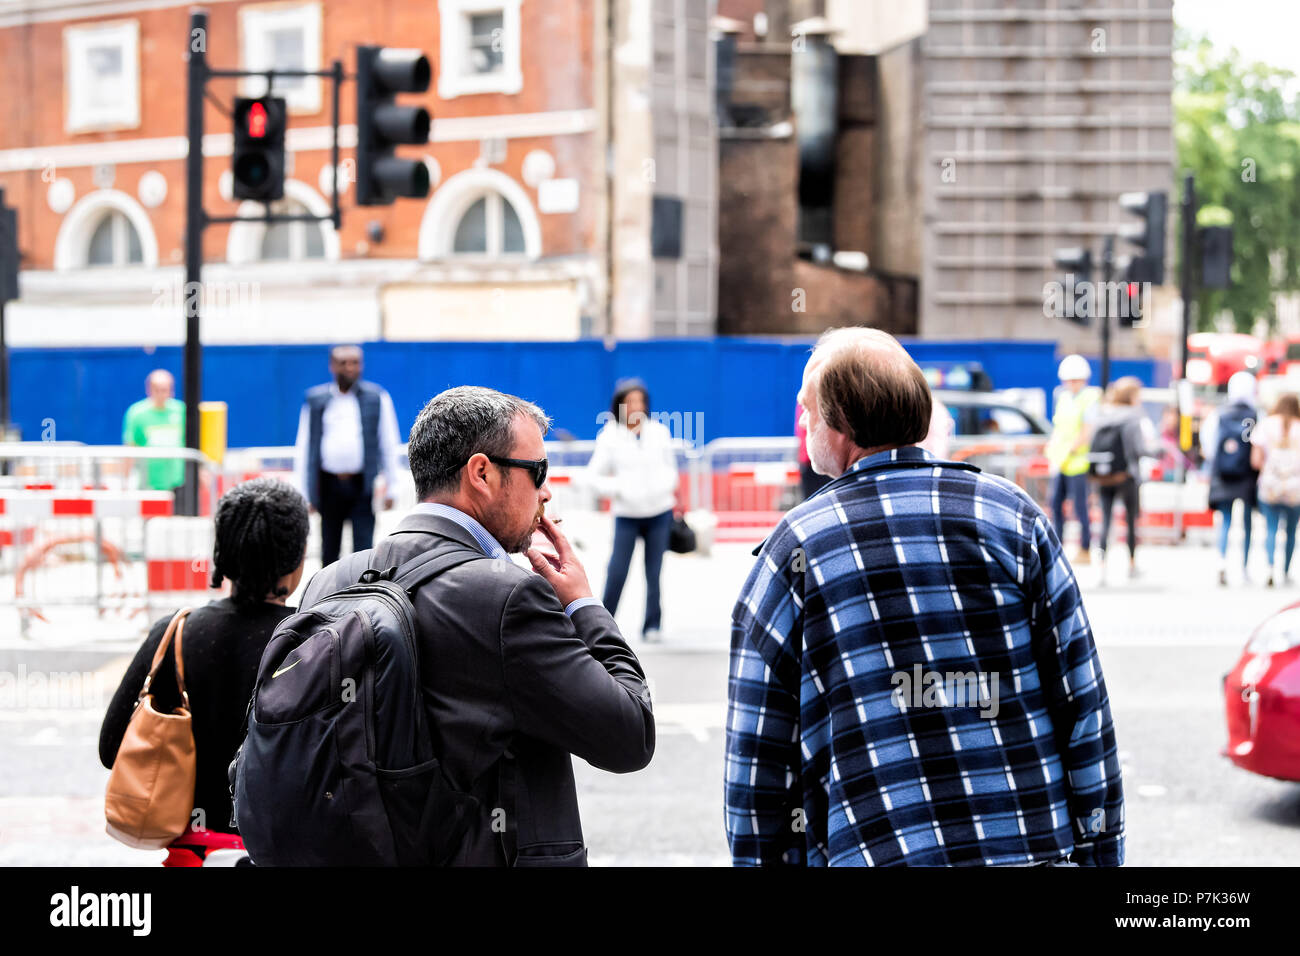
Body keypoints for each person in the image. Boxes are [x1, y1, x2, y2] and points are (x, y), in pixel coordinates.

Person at [726, 328, 1124, 867]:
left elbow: (759, 762)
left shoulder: (796, 548)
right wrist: (1100, 853)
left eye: (809, 411)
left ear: (841, 423)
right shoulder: (1013, 516)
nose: (803, 424)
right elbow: (1082, 703)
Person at [301, 385, 654, 865]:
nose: (547, 491)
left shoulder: (329, 581)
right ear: (482, 473)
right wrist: (583, 604)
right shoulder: (507, 597)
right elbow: (629, 735)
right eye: (539, 472)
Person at [100, 478, 309, 866]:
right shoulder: (311, 642)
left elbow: (112, 749)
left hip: (191, 855)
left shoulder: (175, 632)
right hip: (278, 850)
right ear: (297, 562)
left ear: (221, 554)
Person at [585, 379, 679, 642]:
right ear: (620, 406)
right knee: (617, 570)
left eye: (640, 401)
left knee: (654, 571)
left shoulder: (659, 432)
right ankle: (602, 624)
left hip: (660, 513)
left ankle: (653, 625)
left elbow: (670, 469)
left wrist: (664, 488)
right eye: (630, 402)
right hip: (626, 515)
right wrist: (620, 488)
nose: (636, 407)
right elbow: (594, 477)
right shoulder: (609, 436)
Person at [293, 345, 403, 566]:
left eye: (354, 363)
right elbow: (305, 447)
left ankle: (362, 597)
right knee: (329, 551)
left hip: (361, 485)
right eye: (343, 363)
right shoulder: (316, 400)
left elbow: (388, 443)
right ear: (332, 366)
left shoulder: (376, 397)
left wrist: (393, 486)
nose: (349, 368)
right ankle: (329, 598)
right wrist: (304, 492)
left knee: (364, 552)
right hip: (328, 486)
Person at [1091, 377, 1160, 581]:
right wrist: (1158, 450)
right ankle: (1131, 564)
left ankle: (1102, 564)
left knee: (1105, 519)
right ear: (1131, 396)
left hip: (1104, 475)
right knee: (1130, 520)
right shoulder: (1133, 417)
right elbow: (1138, 449)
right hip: (1127, 475)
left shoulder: (1103, 413)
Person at [1202, 371, 1260, 586]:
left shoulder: (1219, 413)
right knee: (1247, 522)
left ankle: (1221, 562)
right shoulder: (1256, 414)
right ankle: (1244, 568)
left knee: (1225, 520)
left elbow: (1209, 444)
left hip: (1223, 473)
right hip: (1247, 474)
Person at [1045, 354, 1101, 565]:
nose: (1071, 384)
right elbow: (1059, 428)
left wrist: (1071, 449)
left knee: (1080, 508)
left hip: (1078, 461)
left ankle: (1085, 548)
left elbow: (1087, 430)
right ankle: (1056, 548)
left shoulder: (1090, 398)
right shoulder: (1063, 397)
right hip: (1060, 460)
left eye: (1075, 380)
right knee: (1055, 505)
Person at [1249, 392, 1300, 587]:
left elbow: (1255, 461)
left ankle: (1270, 568)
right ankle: (1285, 571)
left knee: (1270, 528)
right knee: (1291, 531)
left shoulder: (1266, 425)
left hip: (1270, 485)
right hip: (1295, 487)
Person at [122, 369, 186, 492]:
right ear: (149, 390)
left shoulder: (181, 410)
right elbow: (130, 447)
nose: (162, 395)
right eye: (157, 390)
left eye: (165, 390)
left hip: (178, 481)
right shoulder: (137, 413)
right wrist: (126, 479)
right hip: (149, 483)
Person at [796, 402, 832, 500]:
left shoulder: (810, 398)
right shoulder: (812, 397)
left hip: (816, 460)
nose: (802, 421)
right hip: (813, 460)